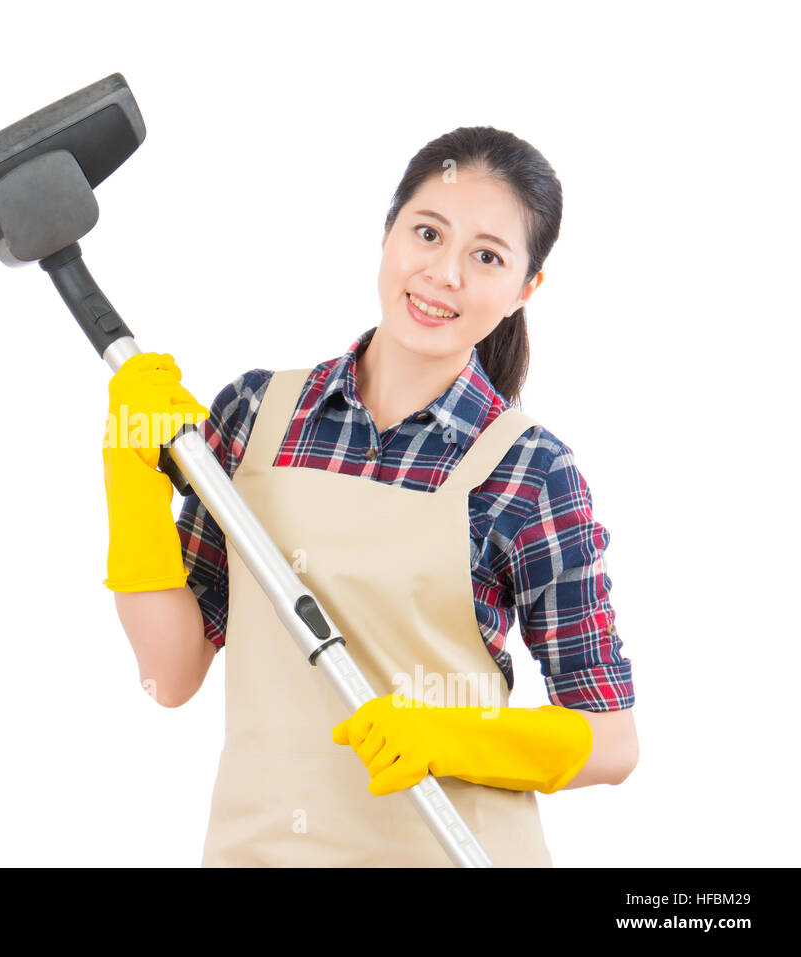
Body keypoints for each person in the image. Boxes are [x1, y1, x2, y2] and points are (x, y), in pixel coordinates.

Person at [103, 126, 638, 867]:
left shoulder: (529, 470)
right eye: (427, 232)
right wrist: (131, 480)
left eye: (487, 256)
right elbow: (173, 672)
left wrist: (452, 736)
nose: (444, 273)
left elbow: (612, 739)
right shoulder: (256, 417)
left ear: (524, 290)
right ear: (388, 233)